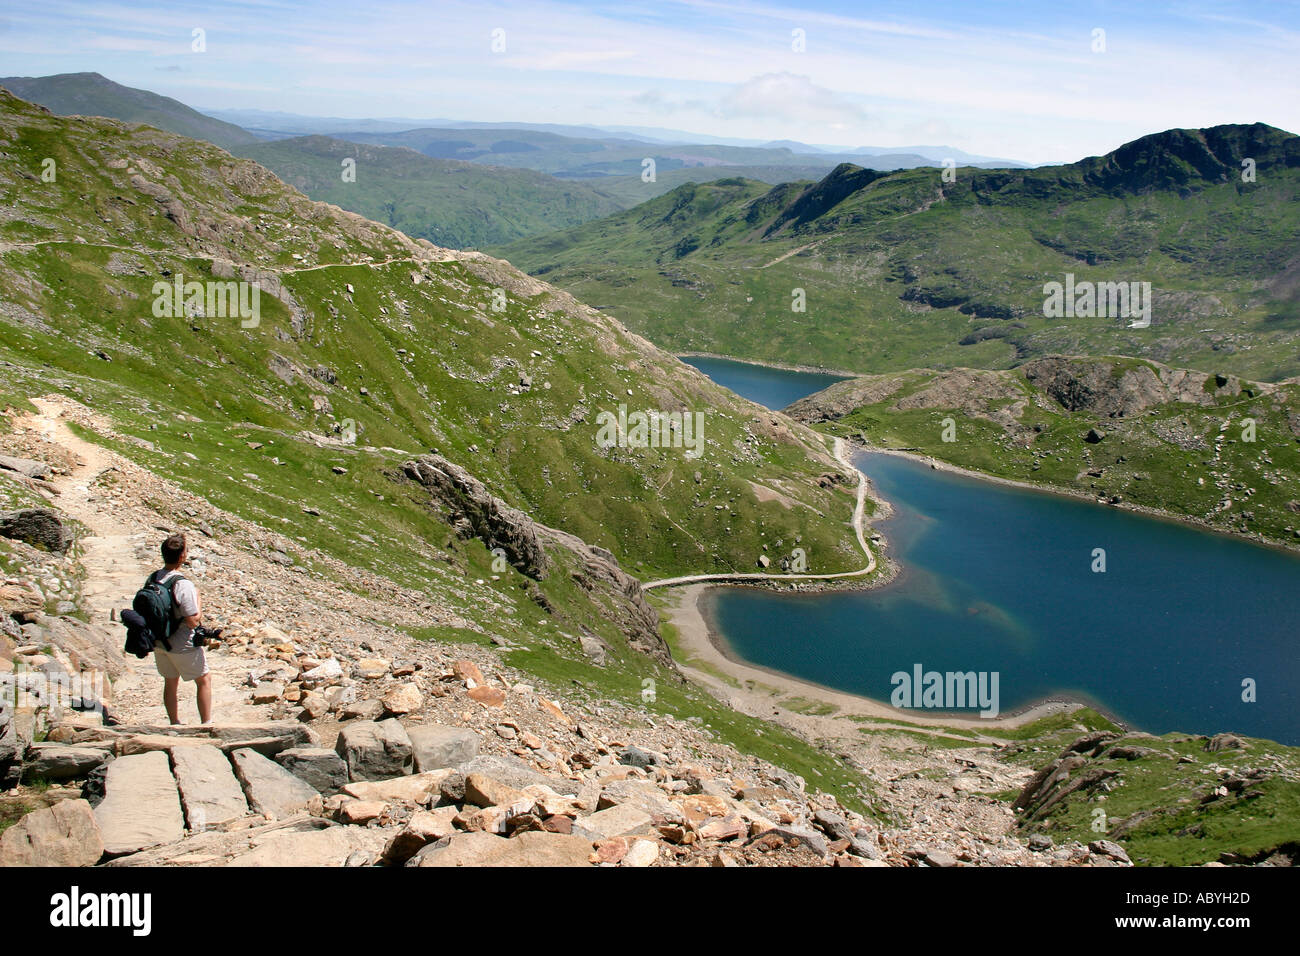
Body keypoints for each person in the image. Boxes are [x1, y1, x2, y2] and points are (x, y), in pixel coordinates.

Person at [151, 533, 211, 725]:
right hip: (181, 642)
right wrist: (199, 600)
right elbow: (193, 619)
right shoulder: (182, 583)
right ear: (182, 557)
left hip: (159, 641)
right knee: (203, 680)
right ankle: (207, 723)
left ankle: (174, 722)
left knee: (170, 681)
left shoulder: (154, 578)